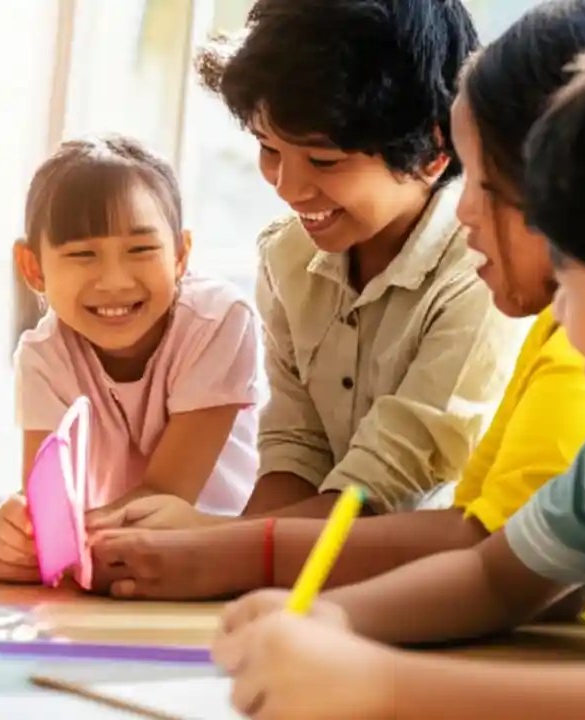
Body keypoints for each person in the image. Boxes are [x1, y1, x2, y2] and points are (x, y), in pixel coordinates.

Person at [215, 23, 585, 719]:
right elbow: (495, 577)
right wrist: (325, 619)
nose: (558, 311)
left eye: (571, 274)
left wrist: (389, 687)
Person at [87, 0, 526, 598]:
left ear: (431, 152)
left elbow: (385, 488)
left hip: (430, 588)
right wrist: (219, 552)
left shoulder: (484, 272)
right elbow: (296, 449)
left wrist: (217, 548)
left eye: (324, 160)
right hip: (309, 576)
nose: (289, 187)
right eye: (269, 147)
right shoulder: (289, 258)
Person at [0, 135, 259, 584]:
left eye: (141, 250)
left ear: (181, 254)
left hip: (220, 562)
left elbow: (167, 500)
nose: (114, 281)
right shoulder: (43, 355)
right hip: (115, 563)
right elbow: (48, 501)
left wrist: (64, 540)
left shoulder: (217, 321)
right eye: (82, 255)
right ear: (33, 268)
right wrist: (13, 539)